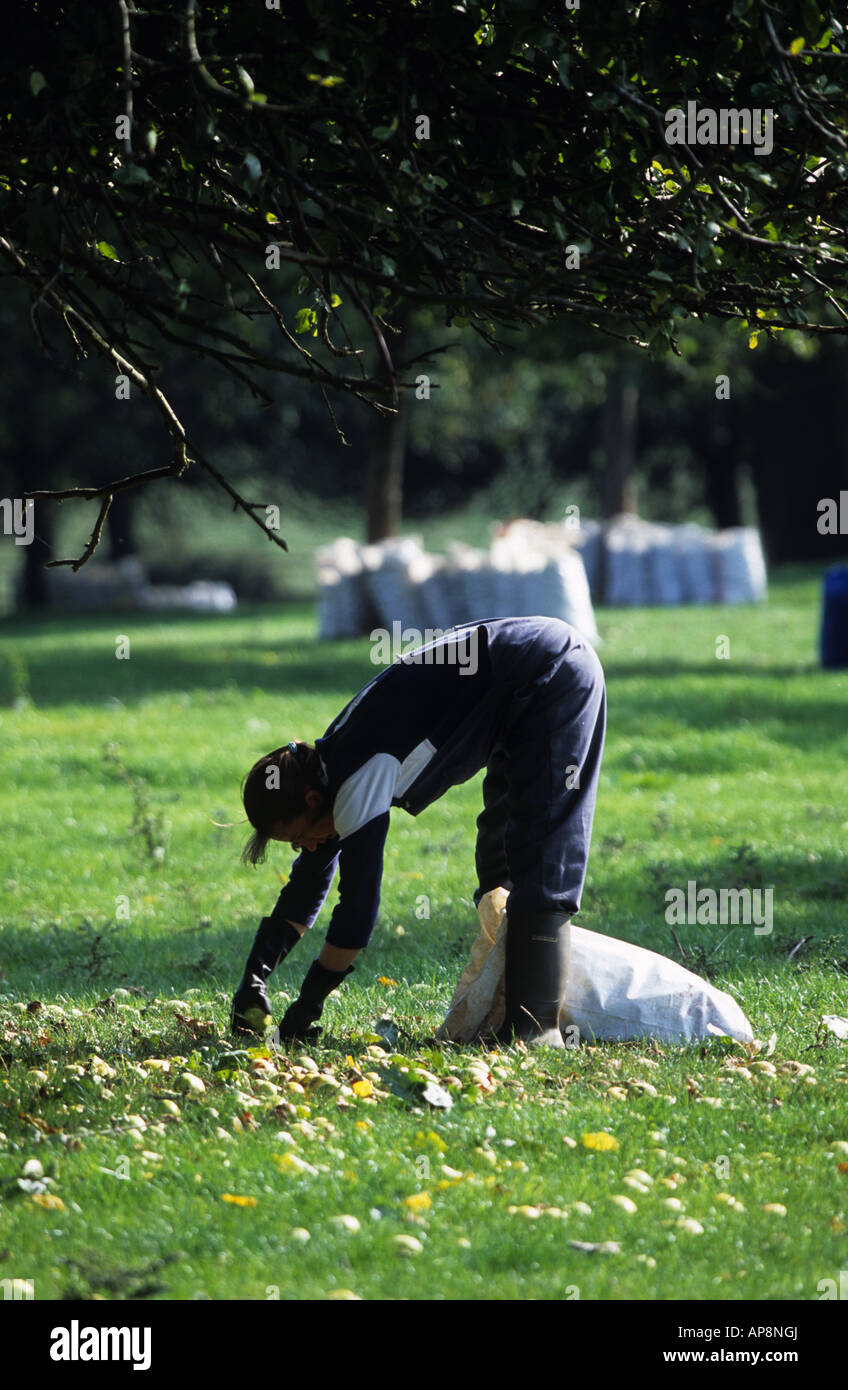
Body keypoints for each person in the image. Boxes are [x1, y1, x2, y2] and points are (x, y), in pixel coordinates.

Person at [231, 615, 606, 1048]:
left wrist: (306, 1007)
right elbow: (307, 884)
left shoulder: (356, 778)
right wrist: (253, 979)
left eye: (298, 837)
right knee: (500, 857)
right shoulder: (326, 766)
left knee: (542, 852)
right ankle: (502, 1010)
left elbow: (356, 917)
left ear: (312, 802)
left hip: (551, 671)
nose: (305, 848)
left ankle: (534, 1029)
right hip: (518, 679)